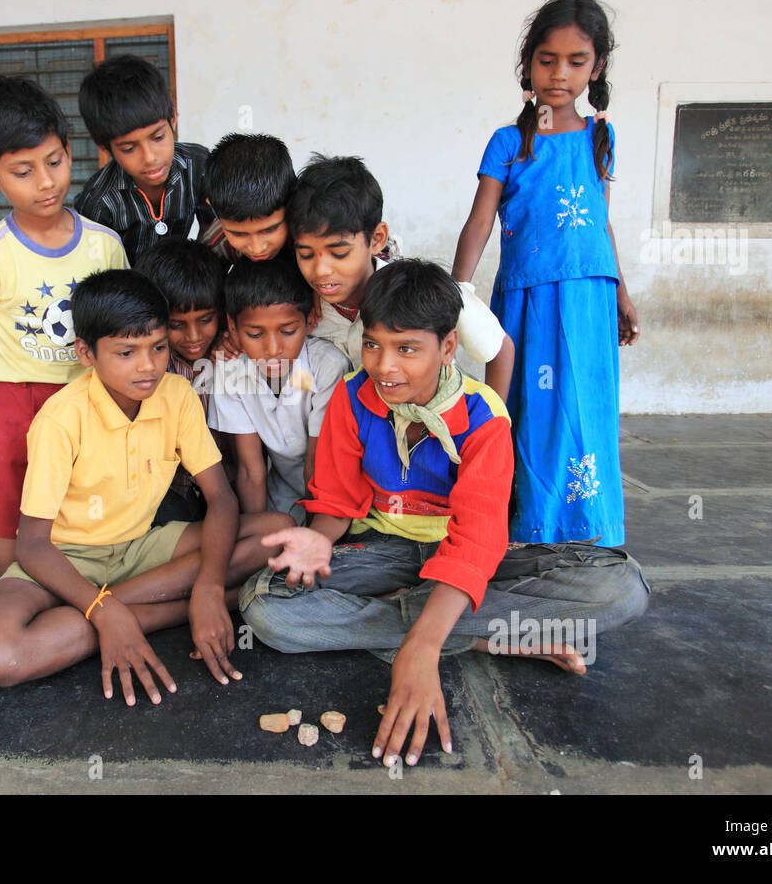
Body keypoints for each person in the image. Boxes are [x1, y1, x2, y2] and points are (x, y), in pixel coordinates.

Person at [239, 259, 649, 768]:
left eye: (406, 348)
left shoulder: (484, 416)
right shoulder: (350, 398)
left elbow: (477, 539)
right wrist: (321, 536)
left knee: (622, 585)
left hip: (466, 557)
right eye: (373, 344)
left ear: (447, 347)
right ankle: (484, 639)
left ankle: (425, 628)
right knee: (265, 604)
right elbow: (337, 502)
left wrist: (422, 650)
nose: (384, 366)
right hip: (384, 553)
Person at [0, 269, 293, 703]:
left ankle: (131, 608)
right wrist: (102, 610)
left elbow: (221, 497)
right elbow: (33, 545)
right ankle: (150, 612)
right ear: (86, 353)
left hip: (141, 549)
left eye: (158, 348)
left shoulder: (176, 395)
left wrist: (206, 588)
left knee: (278, 531)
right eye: (126, 352)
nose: (148, 365)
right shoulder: (60, 419)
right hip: (63, 562)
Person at [450, 0, 639, 547]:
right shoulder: (509, 142)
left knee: (585, 408)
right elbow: (479, 222)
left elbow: (600, 224)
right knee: (527, 412)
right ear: (527, 64)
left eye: (577, 61)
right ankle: (524, 528)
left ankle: (588, 532)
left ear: (597, 67)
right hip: (527, 299)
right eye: (547, 59)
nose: (560, 73)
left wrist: (622, 293)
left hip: (589, 296)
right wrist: (458, 293)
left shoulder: (600, 137)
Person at [0, 75, 127, 580]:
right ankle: (13, 589)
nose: (46, 182)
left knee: (84, 492)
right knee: (10, 502)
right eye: (23, 171)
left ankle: (83, 585)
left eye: (55, 161)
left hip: (92, 397)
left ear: (69, 151)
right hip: (18, 400)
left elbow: (122, 330)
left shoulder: (105, 245)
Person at [286, 154, 516, 396]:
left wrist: (495, 423)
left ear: (376, 239)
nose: (321, 270)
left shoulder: (424, 288)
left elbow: (500, 350)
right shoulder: (304, 309)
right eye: (306, 255)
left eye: (339, 253)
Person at [207, 257, 350, 522]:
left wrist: (313, 536)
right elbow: (251, 471)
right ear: (232, 327)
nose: (273, 349)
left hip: (330, 494)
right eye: (255, 334)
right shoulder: (230, 372)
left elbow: (317, 467)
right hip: (280, 490)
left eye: (287, 331)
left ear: (309, 321)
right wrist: (259, 535)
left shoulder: (328, 367)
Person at [74, 55, 219, 264]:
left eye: (158, 137)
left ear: (173, 118)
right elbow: (99, 272)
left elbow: (212, 226)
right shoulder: (98, 202)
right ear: (105, 148)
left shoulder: (198, 164)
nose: (150, 158)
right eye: (129, 148)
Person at [133, 238, 227, 524]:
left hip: (219, 482)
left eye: (206, 319)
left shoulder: (231, 355)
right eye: (176, 325)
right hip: (163, 490)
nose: (194, 336)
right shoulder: (150, 368)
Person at [203, 132, 295, 263]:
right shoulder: (216, 246)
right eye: (238, 234)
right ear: (213, 207)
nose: (257, 249)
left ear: (292, 200)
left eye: (270, 229)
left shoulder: (314, 233)